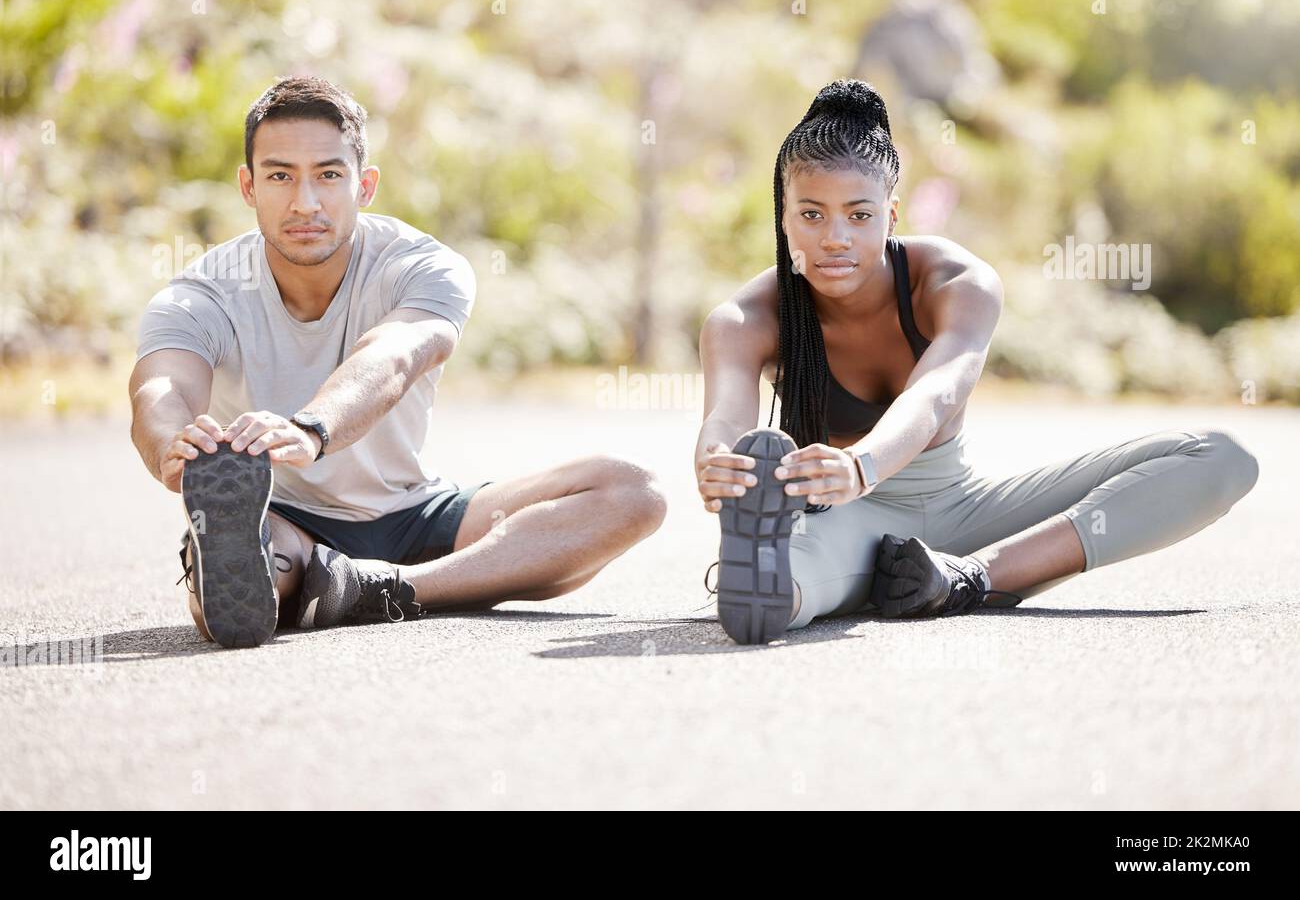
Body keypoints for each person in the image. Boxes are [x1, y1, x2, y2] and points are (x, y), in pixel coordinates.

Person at [694, 78, 1259, 645]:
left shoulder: (957, 282)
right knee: (780, 587)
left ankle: (969, 577)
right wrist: (717, 461)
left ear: (892, 215)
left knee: (1219, 458)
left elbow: (934, 394)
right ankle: (780, 580)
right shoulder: (745, 319)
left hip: (964, 515)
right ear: (783, 216)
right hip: (841, 519)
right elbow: (725, 417)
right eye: (812, 215)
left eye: (858, 215)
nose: (835, 238)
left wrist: (861, 465)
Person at [129, 76, 667, 648]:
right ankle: (270, 565)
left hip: (415, 513)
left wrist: (311, 429)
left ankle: (383, 588)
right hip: (286, 521)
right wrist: (172, 445)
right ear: (248, 186)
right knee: (236, 591)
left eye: (329, 176)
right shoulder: (203, 292)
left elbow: (392, 355)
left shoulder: (422, 265)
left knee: (634, 491)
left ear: (365, 185)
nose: (304, 202)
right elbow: (160, 385)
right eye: (280, 175)